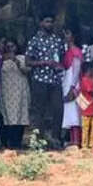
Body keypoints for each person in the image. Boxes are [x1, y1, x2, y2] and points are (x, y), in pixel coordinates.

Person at [25, 13, 66, 148]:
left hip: (55, 80)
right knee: (39, 111)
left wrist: (59, 66)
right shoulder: (34, 40)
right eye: (47, 21)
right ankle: (39, 139)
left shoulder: (57, 40)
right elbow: (28, 62)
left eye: (51, 22)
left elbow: (62, 57)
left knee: (58, 109)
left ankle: (55, 138)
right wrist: (44, 62)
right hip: (40, 79)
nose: (50, 24)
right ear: (41, 23)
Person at [0, 40, 30, 149]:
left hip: (20, 92)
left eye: (12, 46)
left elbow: (26, 71)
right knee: (7, 118)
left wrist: (15, 60)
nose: (10, 48)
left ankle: (17, 143)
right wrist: (3, 59)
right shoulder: (1, 59)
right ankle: (6, 143)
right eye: (8, 46)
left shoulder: (22, 57)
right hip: (6, 93)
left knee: (20, 117)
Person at [60, 28, 83, 148]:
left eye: (67, 33)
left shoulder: (76, 51)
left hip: (73, 84)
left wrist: (72, 87)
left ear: (73, 36)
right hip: (66, 82)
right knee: (69, 112)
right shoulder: (66, 51)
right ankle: (72, 139)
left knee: (75, 112)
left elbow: (76, 70)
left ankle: (76, 140)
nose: (65, 36)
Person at [78, 61, 93, 148]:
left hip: (92, 108)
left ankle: (91, 143)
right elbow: (91, 91)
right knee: (87, 128)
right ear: (89, 70)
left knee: (92, 128)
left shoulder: (86, 80)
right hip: (88, 108)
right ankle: (85, 144)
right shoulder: (85, 80)